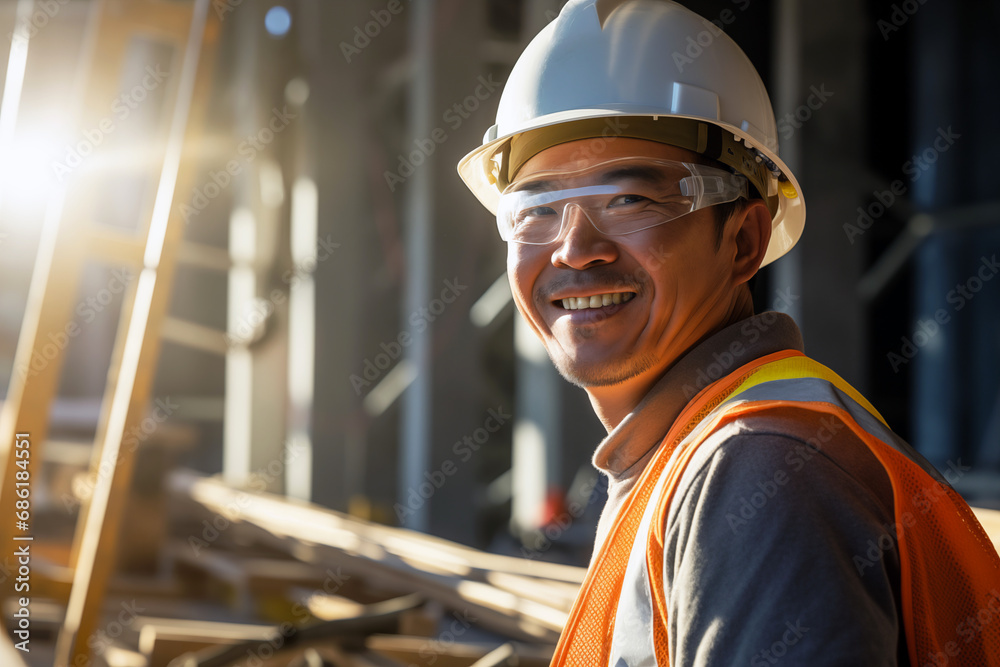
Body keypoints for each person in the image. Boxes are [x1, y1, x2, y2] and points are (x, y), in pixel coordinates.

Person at [457, 1, 1000, 665]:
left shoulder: (757, 471)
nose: (574, 248)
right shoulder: (683, 458)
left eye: (629, 200)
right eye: (535, 208)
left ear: (743, 240)